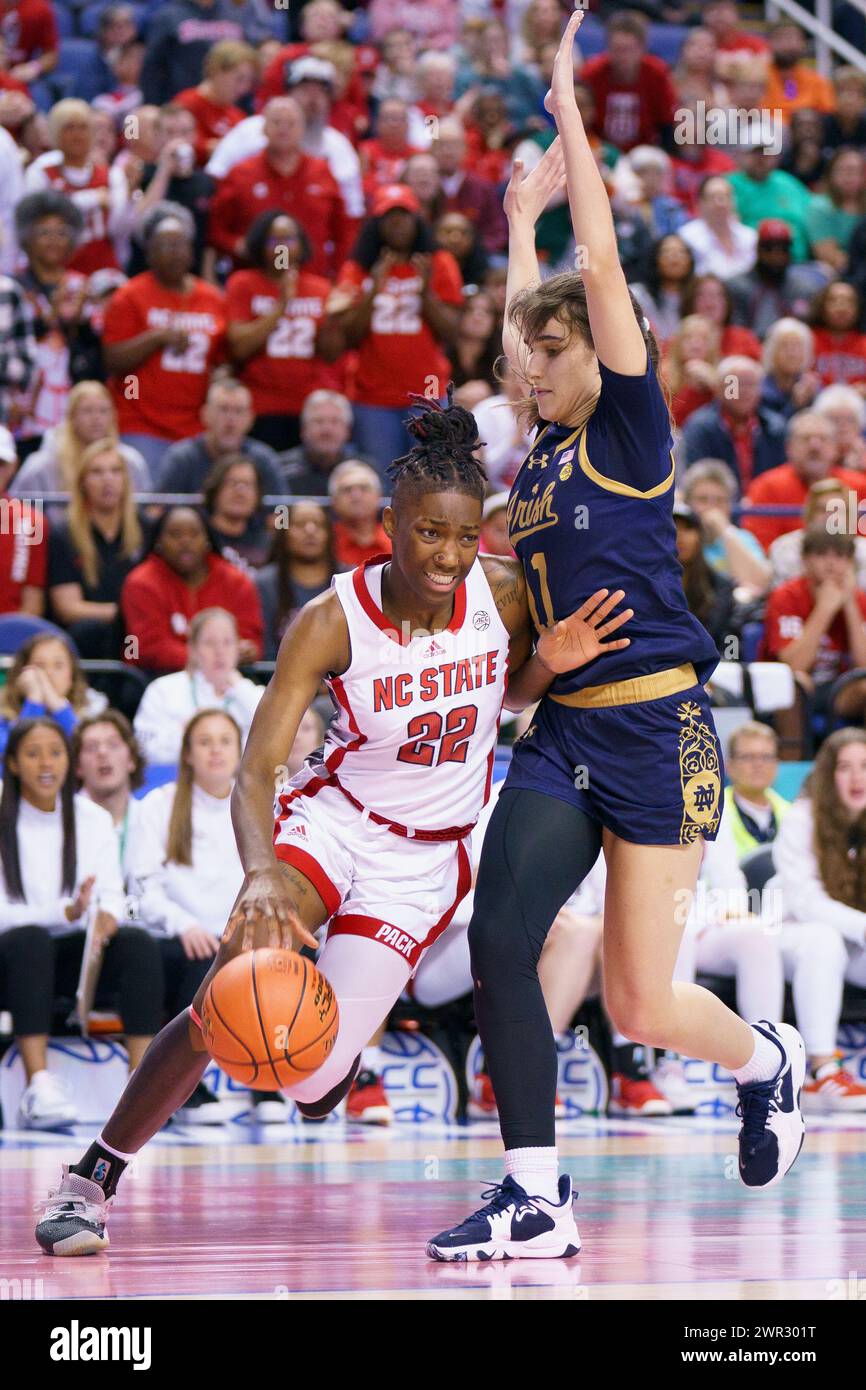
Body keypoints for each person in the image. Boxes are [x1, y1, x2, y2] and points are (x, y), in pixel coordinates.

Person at [34, 391, 634, 1255]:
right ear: (391, 522)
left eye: (466, 537)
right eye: (430, 533)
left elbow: (496, 702)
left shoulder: (501, 598)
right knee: (230, 995)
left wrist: (545, 665)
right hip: (334, 820)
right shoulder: (329, 620)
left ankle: (333, 1063)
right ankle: (92, 1177)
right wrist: (262, 872)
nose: (449, 555)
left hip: (423, 864)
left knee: (306, 1076)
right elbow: (254, 768)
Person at [428, 13, 806, 1264]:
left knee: (642, 1000)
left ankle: (766, 1059)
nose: (527, 370)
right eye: (524, 358)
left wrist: (567, 117)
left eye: (550, 352)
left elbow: (596, 262)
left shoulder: (633, 424)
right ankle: (534, 1193)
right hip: (562, 728)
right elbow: (518, 313)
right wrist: (515, 225)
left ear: (599, 349)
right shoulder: (534, 443)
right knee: (500, 931)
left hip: (658, 726)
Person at [0, 718, 158, 1131]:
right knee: (31, 940)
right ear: (13, 764)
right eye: (33, 754)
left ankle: (141, 1089)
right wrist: (64, 913)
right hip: (12, 956)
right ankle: (39, 1085)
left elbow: (109, 893)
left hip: (74, 953)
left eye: (55, 752)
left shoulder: (91, 818)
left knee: (138, 944)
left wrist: (106, 916)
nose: (46, 763)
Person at [333, 183, 463, 478]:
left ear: (417, 220)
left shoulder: (440, 263)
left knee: (430, 481)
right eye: (389, 217)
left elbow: (451, 331)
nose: (398, 224)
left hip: (427, 394)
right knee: (383, 483)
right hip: (372, 398)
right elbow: (349, 337)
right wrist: (373, 289)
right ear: (377, 223)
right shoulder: (358, 268)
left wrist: (425, 291)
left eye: (404, 216)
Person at [772, 728, 866, 1110]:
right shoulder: (802, 819)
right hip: (789, 934)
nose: (857, 777)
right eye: (845, 768)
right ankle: (822, 1072)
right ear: (828, 776)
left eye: (864, 766)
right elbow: (806, 902)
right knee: (822, 940)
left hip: (849, 939)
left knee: (833, 940)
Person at [102, 202, 226, 484]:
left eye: (180, 245)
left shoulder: (212, 298)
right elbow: (112, 360)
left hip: (196, 427)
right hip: (141, 423)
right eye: (165, 245)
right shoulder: (130, 296)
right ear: (149, 253)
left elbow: (224, 359)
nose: (175, 252)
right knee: (146, 509)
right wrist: (157, 337)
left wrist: (222, 374)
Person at [224, 211, 346, 452]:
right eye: (274, 241)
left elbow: (330, 354)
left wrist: (333, 321)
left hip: (307, 407)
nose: (282, 248)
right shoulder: (243, 283)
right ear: (259, 246)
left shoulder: (319, 288)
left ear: (301, 246)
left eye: (289, 240)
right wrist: (282, 305)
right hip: (261, 405)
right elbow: (238, 348)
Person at [208, 96, 353, 279]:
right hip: (255, 284)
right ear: (263, 128)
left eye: (291, 123)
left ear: (302, 129)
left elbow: (343, 231)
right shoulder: (240, 174)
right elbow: (216, 230)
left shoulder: (322, 172)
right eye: (276, 122)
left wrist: (338, 275)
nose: (283, 128)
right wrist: (237, 245)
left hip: (311, 285)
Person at [120, 505, 263, 674]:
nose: (185, 542)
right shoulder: (141, 582)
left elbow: (250, 638)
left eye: (194, 534)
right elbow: (148, 647)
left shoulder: (237, 581)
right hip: (157, 678)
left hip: (228, 676)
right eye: (175, 534)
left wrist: (247, 649)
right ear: (158, 541)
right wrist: (212, 658)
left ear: (207, 540)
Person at [763, 528, 866, 756]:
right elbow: (795, 665)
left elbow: (864, 665)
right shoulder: (786, 596)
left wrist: (849, 605)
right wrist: (825, 608)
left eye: (840, 556)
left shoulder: (858, 598)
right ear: (805, 561)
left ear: (851, 563)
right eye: (821, 555)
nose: (831, 564)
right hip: (785, 689)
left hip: (837, 688)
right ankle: (791, 772)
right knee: (796, 683)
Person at [47, 438, 145, 659]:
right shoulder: (64, 534)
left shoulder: (145, 529)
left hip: (134, 634)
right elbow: (68, 608)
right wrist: (121, 613)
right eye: (97, 472)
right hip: (90, 638)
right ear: (83, 482)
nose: (107, 479)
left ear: (126, 480)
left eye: (115, 471)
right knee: (90, 631)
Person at [133, 607, 263, 765]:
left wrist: (240, 688)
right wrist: (188, 735)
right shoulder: (163, 690)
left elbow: (271, 736)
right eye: (210, 643)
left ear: (238, 648)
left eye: (227, 642)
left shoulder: (252, 694)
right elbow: (144, 750)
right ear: (193, 649)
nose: (220, 651)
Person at [24, 99, 130, 275]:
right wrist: (92, 199)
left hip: (102, 267)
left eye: (83, 128)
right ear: (56, 133)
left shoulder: (112, 175)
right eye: (69, 128)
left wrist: (131, 195)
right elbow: (34, 218)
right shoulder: (41, 172)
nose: (77, 135)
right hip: (56, 269)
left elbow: (119, 229)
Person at [10, 380, 150, 510]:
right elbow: (17, 512)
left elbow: (143, 513)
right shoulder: (41, 466)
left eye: (103, 411)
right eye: (87, 410)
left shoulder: (129, 461)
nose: (96, 418)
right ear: (71, 417)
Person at [741, 410, 866, 552]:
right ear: (788, 447)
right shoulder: (766, 487)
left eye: (823, 439)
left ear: (836, 447)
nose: (814, 446)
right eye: (805, 439)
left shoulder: (860, 487)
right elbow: (758, 548)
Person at [156, 378, 283, 499]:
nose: (230, 420)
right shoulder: (182, 458)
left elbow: (282, 510)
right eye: (223, 409)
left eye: (238, 411)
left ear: (250, 419)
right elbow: (153, 511)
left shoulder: (263, 459)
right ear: (205, 414)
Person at [680, 355, 788, 492]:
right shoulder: (700, 428)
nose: (744, 391)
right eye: (735, 384)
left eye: (751, 384)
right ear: (719, 388)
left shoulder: (775, 428)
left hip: (765, 508)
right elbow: (695, 481)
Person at [0, 631, 106, 758]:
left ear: (71, 674)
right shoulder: (3, 712)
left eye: (58, 665)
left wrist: (56, 703)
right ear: (22, 673)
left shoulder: (94, 707)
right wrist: (34, 700)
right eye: (40, 666)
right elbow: (15, 757)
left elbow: (86, 754)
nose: (49, 673)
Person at [73, 709, 146, 885]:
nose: (102, 753)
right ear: (77, 767)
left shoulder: (152, 817)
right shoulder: (65, 821)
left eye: (113, 745)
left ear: (132, 760)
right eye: (91, 747)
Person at [255, 502, 335, 661]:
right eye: (299, 524)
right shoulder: (263, 583)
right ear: (284, 534)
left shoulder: (350, 579)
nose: (310, 531)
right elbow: (266, 651)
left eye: (319, 525)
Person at [726, 220, 828, 342]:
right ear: (758, 250)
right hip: (748, 351)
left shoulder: (806, 289)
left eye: (783, 248)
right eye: (769, 248)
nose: (776, 255)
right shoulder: (737, 286)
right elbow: (735, 333)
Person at [681, 459, 771, 594]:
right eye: (702, 499)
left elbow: (760, 583)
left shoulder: (742, 538)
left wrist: (725, 530)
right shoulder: (678, 537)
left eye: (720, 500)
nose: (711, 507)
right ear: (687, 502)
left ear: (730, 506)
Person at [768, 478, 866, 590]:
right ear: (809, 514)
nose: (829, 517)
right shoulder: (785, 547)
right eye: (822, 510)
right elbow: (785, 596)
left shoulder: (864, 550)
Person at [174, 39, 258, 166]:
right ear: (217, 71)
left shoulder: (238, 117)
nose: (244, 88)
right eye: (239, 79)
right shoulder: (187, 104)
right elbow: (179, 144)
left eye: (248, 81)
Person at [275, 389, 365, 496]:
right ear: (303, 430)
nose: (326, 430)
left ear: (348, 431)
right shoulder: (280, 470)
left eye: (335, 421)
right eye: (318, 421)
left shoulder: (365, 472)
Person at [724, 720, 790, 860]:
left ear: (776, 764)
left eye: (766, 757)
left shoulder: (790, 813)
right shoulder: (715, 813)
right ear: (729, 766)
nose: (758, 764)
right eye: (748, 757)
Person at [674, 501, 736, 649]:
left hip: (708, 659)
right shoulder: (649, 582)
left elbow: (716, 631)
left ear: (699, 536)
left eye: (687, 529)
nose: (680, 536)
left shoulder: (720, 584)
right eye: (673, 528)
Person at [0, 424, 47, 617]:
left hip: (9, 639)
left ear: (14, 466)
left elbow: (32, 607)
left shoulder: (32, 522)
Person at [679, 175, 758, 280]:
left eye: (725, 196)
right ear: (700, 203)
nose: (720, 203)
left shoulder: (750, 236)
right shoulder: (687, 237)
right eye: (713, 197)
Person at [201, 456, 270, 571]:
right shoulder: (200, 539)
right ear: (215, 489)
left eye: (248, 485)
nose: (240, 492)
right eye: (232, 483)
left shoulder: (268, 543)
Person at [804, 148, 866, 276]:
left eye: (855, 171)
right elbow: (827, 255)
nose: (849, 176)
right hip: (832, 270)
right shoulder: (819, 206)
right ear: (830, 174)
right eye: (844, 170)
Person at [629, 233, 695, 344]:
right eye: (667, 252)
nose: (675, 257)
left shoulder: (698, 295)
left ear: (690, 261)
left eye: (681, 252)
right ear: (655, 259)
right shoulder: (638, 295)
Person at [328, 459, 390, 569]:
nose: (356, 496)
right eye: (347, 490)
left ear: (378, 496)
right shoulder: (324, 542)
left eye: (364, 488)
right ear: (334, 500)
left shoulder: (397, 541)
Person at [808, 281, 866, 390]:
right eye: (833, 300)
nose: (842, 308)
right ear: (822, 306)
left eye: (849, 301)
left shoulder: (864, 344)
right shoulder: (807, 340)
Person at [759, 317, 820, 419]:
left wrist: (814, 397)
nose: (792, 353)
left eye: (797, 346)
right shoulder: (760, 390)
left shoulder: (812, 386)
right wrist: (794, 405)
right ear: (771, 352)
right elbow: (772, 430)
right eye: (784, 346)